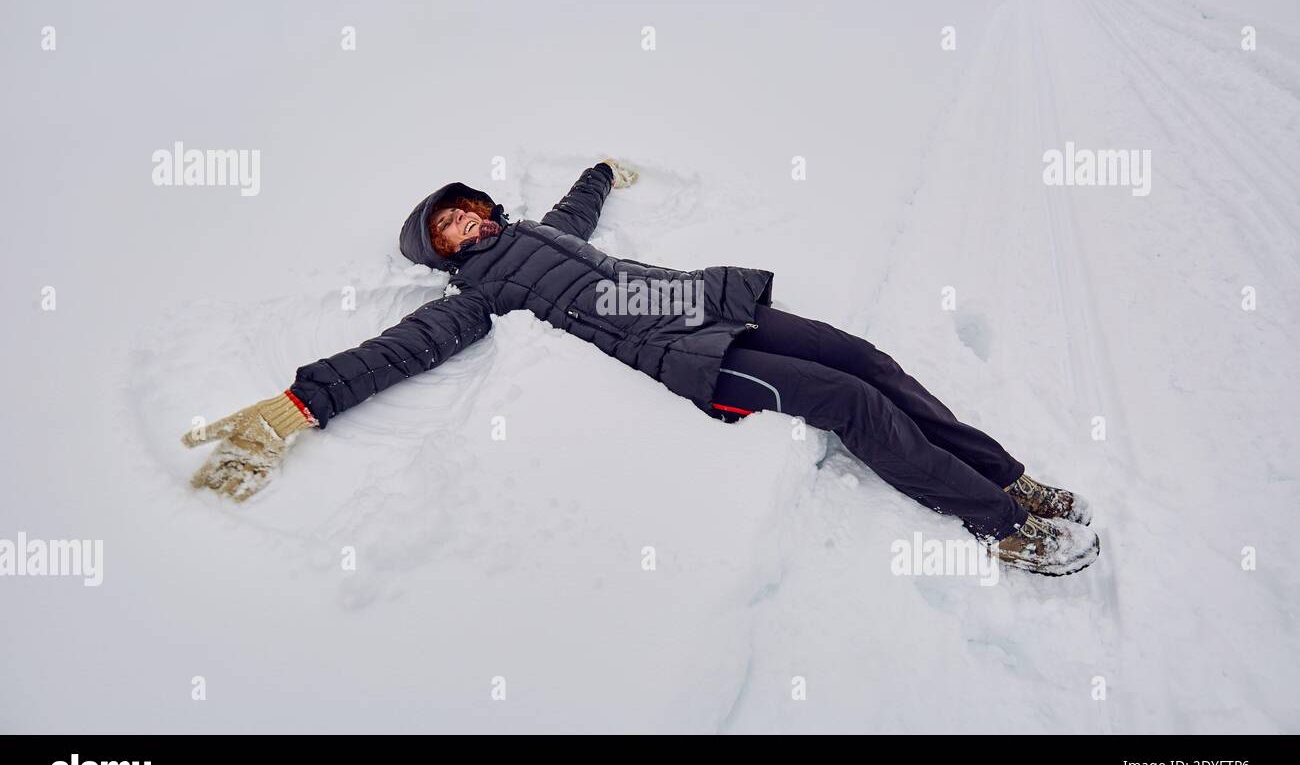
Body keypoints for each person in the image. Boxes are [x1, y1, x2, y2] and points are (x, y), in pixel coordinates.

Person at [183, 161, 1100, 575]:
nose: (463, 225)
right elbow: (399, 351)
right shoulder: (474, 297)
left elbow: (575, 210)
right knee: (847, 400)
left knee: (865, 356)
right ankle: (997, 524)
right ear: (444, 257)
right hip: (679, 354)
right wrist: (300, 403)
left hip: (703, 302)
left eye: (463, 210)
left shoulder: (542, 231)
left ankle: (1011, 477)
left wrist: (599, 173)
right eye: (447, 231)